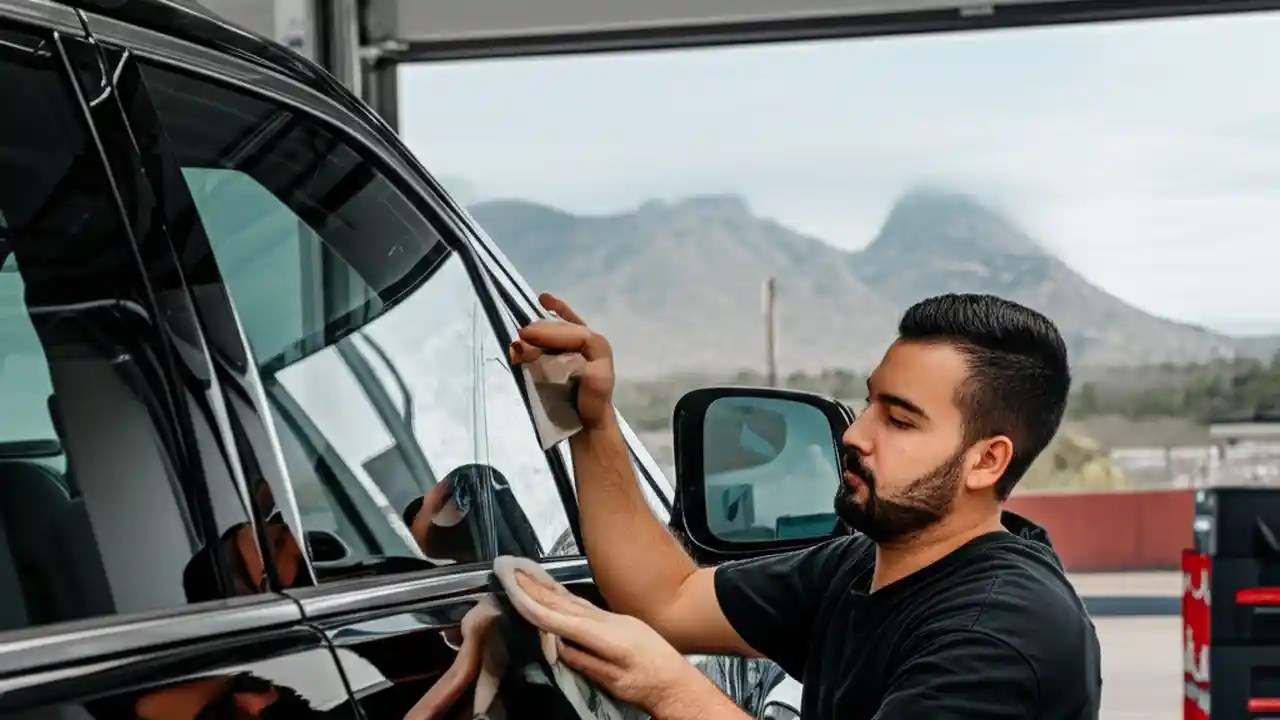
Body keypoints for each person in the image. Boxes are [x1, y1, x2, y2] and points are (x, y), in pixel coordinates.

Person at [507, 292, 1103, 719]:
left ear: (987, 462)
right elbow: (666, 599)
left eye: (898, 420)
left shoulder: (999, 639)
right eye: (869, 403)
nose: (855, 434)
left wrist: (669, 689)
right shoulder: (863, 566)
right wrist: (591, 422)